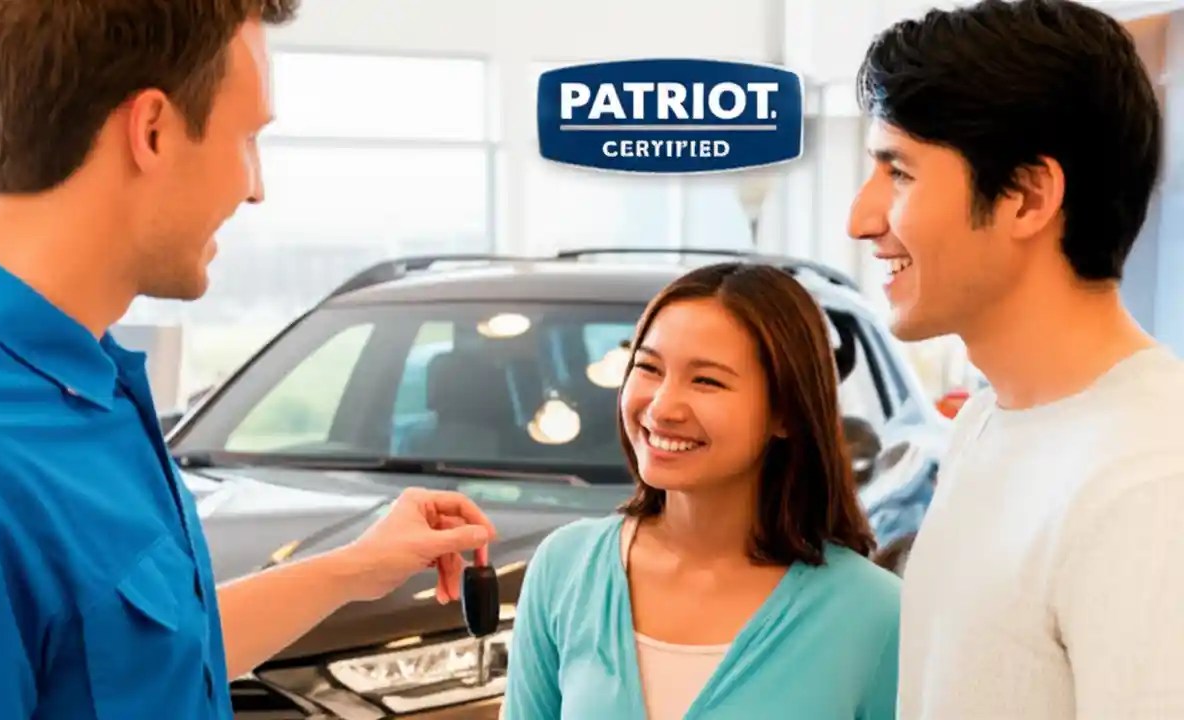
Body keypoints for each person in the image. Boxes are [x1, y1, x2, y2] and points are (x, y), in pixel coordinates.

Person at [0, 2, 496, 719]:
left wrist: (353, 569)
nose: (256, 186)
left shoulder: (90, 388)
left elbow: (148, 660)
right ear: (152, 131)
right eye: (247, 138)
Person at [850, 1, 1184, 717]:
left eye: (899, 173)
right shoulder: (985, 420)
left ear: (1027, 197)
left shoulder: (1152, 480)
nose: (862, 219)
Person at [501, 262, 901, 720]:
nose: (663, 405)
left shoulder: (874, 613)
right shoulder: (565, 568)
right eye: (648, 367)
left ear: (786, 413)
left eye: (706, 380)